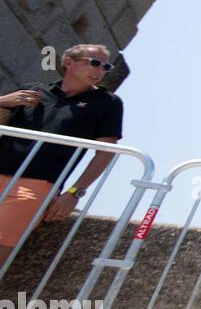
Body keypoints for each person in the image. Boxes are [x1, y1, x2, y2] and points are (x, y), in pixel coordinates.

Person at [0, 44, 124, 266]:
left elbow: (105, 152)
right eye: (94, 63)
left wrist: (75, 192)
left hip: (34, 188)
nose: (100, 70)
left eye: (106, 66)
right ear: (69, 62)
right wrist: (3, 101)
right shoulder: (33, 91)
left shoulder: (108, 103)